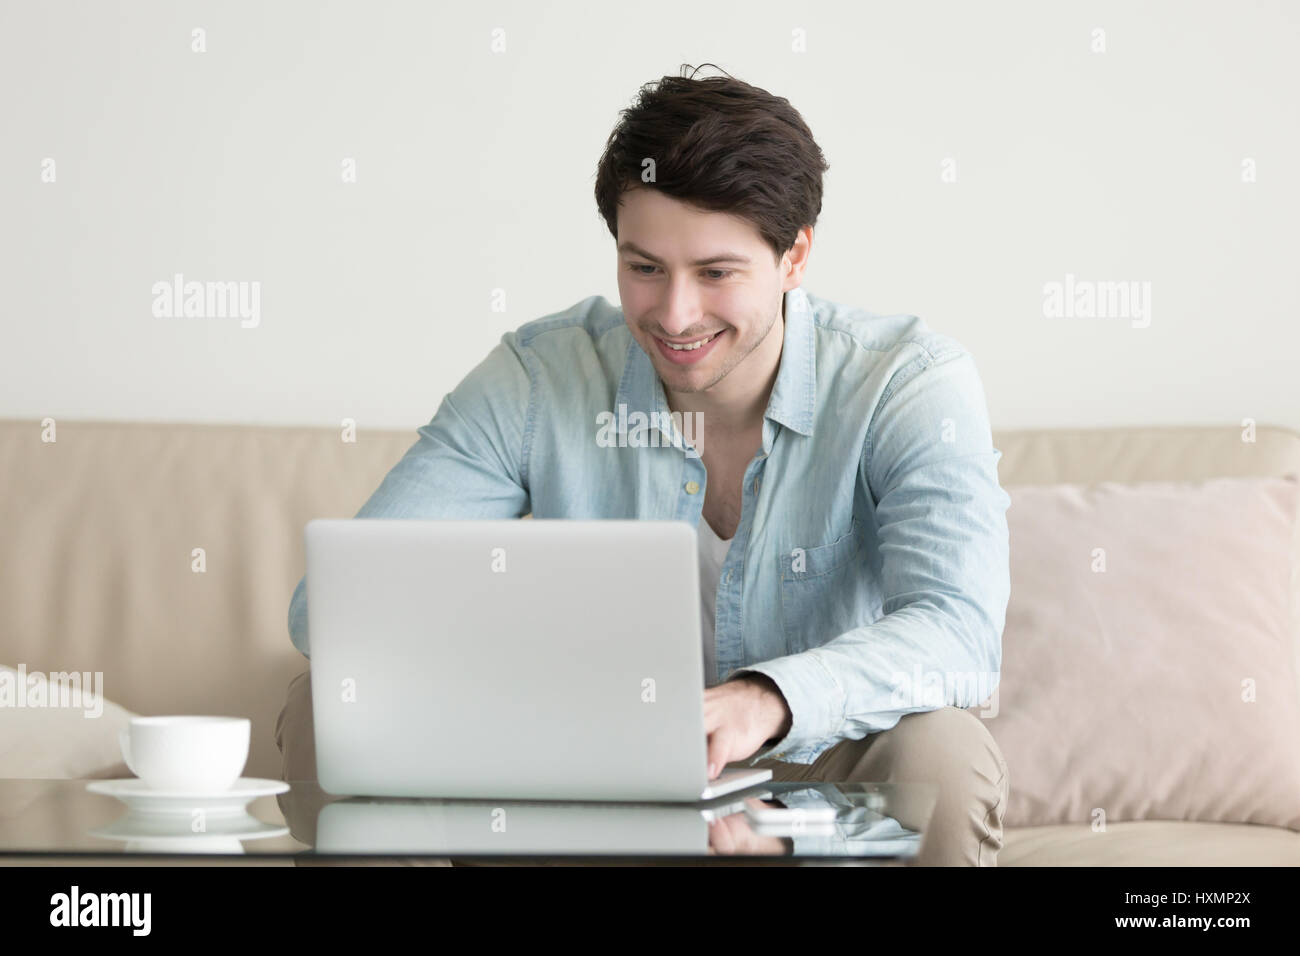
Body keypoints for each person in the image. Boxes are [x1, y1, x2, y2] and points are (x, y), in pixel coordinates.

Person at [277, 64, 1011, 865]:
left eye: (716, 273)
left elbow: (959, 631)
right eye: (644, 267)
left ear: (795, 256)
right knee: (327, 704)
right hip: (580, 769)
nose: (674, 314)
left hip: (815, 767)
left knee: (946, 749)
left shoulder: (907, 382)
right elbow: (337, 614)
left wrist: (767, 699)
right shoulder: (538, 376)